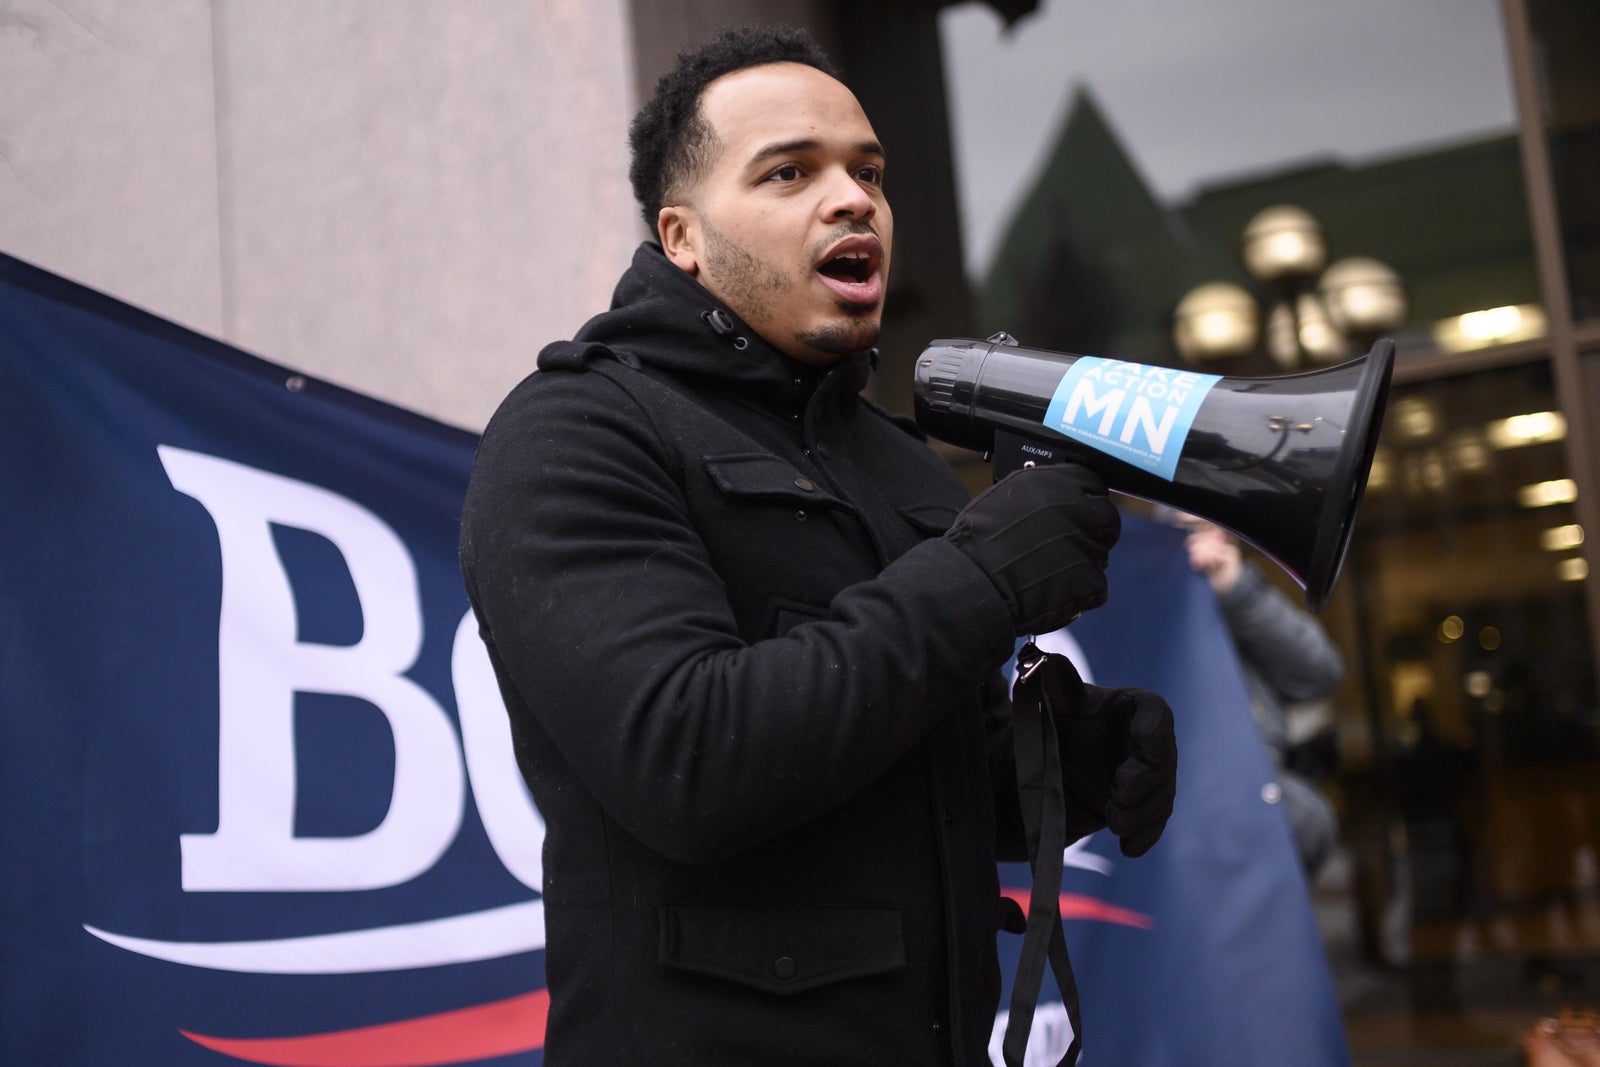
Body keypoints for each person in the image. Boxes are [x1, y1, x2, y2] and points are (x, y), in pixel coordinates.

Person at [459, 27, 1177, 1065]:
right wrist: (977, 577)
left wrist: (1065, 766)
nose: (853, 200)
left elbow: (901, 769)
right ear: (682, 237)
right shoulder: (575, 431)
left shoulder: (903, 464)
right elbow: (687, 761)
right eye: (789, 172)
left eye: (868, 172)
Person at [1177, 515, 1342, 877]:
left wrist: (1237, 591)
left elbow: (1319, 671)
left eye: (1213, 527)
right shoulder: (1137, 617)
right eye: (1187, 529)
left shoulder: (1237, 606)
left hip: (1256, 848)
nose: (1203, 543)